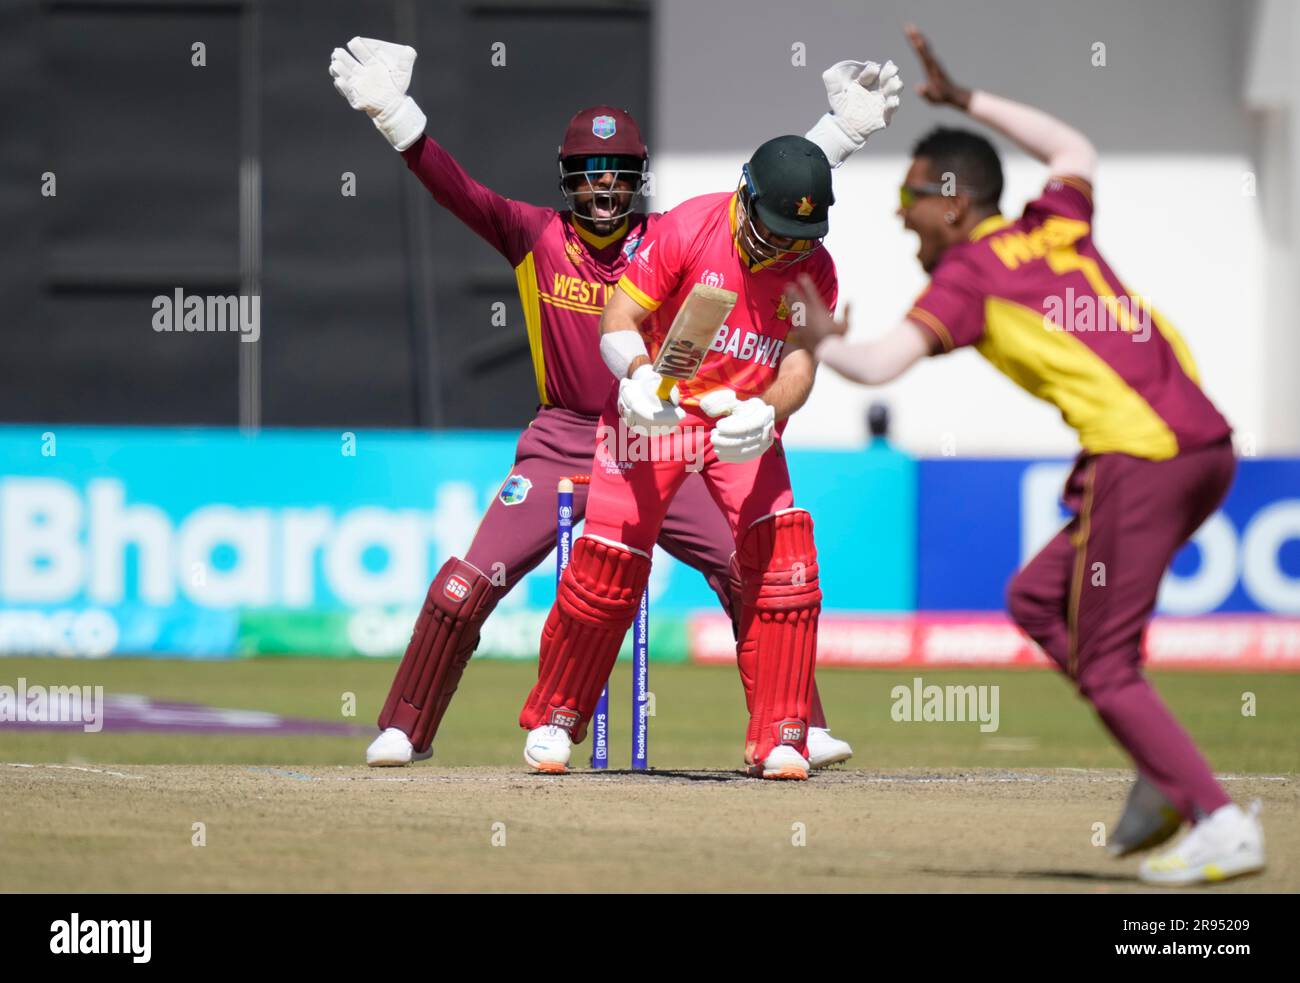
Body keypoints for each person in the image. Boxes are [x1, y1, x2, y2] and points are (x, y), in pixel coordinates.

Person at [328, 37, 899, 770]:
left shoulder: (666, 236)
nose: (604, 190)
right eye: (590, 176)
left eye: (619, 176)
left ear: (640, 182)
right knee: (468, 580)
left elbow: (758, 207)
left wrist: (837, 136)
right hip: (567, 435)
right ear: (568, 180)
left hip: (667, 438)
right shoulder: (535, 234)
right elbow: (458, 192)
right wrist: (397, 118)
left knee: (748, 568)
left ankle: (799, 725)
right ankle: (407, 724)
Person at [787, 25, 1264, 884]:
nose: (903, 216)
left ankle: (1222, 822)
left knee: (1108, 663)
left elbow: (878, 363)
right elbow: (1071, 145)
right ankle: (1164, 780)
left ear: (954, 199)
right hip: (1204, 446)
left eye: (911, 200)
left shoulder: (969, 275)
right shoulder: (1053, 223)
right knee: (1037, 598)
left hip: (1143, 453)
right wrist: (964, 99)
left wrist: (817, 334)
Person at [520, 132, 853, 782]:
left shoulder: (814, 267)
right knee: (605, 571)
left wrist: (770, 410)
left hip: (738, 419)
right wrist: (637, 377)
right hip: (658, 412)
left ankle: (783, 734)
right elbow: (618, 315)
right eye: (774, 232)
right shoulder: (688, 228)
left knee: (784, 563)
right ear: (745, 197)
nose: (783, 248)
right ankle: (556, 719)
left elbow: (801, 364)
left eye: (797, 236)